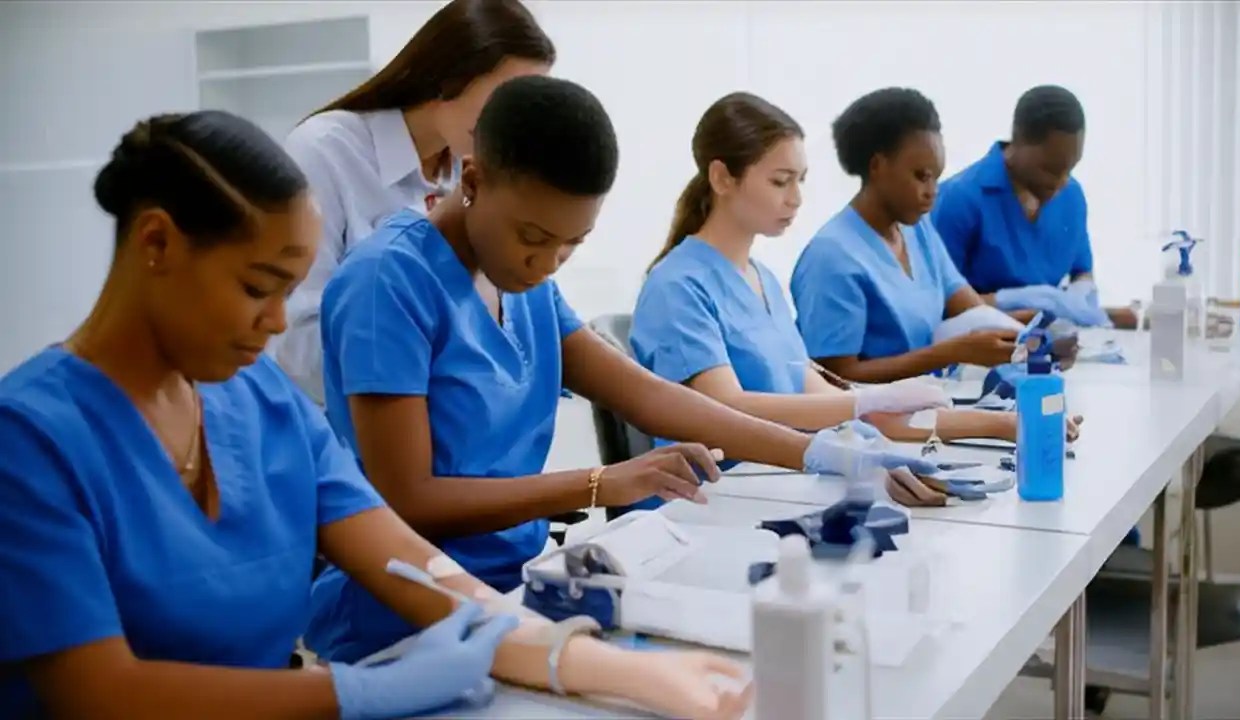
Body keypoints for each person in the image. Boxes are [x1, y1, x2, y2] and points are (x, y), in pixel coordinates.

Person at [0, 110, 756, 720]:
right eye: (259, 286)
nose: (275, 323)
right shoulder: (31, 439)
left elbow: (420, 572)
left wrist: (614, 671)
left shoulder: (262, 405)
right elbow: (99, 694)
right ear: (156, 242)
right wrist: (354, 693)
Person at [309, 76, 951, 663]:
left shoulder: (525, 281)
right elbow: (407, 499)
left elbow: (648, 396)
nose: (547, 263)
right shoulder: (386, 282)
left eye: (572, 244)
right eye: (533, 238)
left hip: (514, 590)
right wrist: (596, 483)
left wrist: (820, 452)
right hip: (399, 615)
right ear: (472, 182)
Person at [631, 92, 1076, 460]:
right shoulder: (678, 287)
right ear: (722, 178)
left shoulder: (762, 280)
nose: (797, 199)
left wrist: (1008, 424)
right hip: (715, 501)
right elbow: (727, 407)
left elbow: (833, 407)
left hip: (782, 480)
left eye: (801, 180)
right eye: (780, 181)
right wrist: (866, 399)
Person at [271, 0, 556, 403]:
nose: (512, 126)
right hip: (346, 427)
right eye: (504, 102)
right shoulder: (325, 151)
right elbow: (295, 341)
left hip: (450, 414)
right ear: (447, 77)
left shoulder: (468, 168)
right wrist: (420, 369)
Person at [791, 88, 1029, 385]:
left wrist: (1028, 333)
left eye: (937, 177)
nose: (932, 191)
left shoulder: (917, 231)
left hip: (924, 406)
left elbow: (970, 309)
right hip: (860, 424)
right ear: (877, 166)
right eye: (921, 176)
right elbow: (834, 376)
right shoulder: (832, 258)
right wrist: (948, 353)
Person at [931, 85, 1134, 328]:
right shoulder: (960, 199)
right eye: (1049, 170)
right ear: (1018, 141)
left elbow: (1081, 269)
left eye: (1069, 169)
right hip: (977, 350)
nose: (1060, 183)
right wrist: (1009, 301)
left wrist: (1081, 292)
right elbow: (935, 305)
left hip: (1050, 347)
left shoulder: (1071, 196)